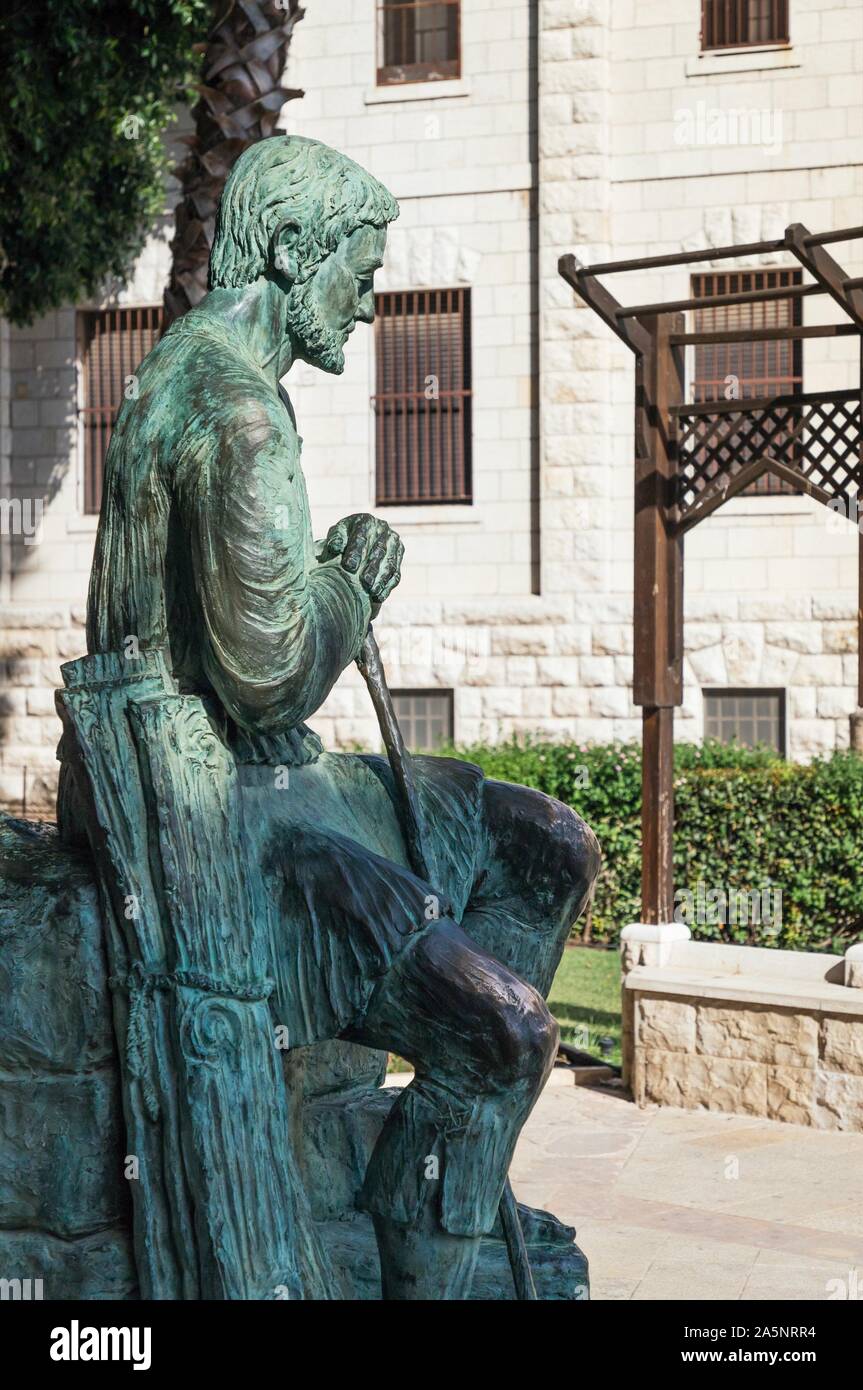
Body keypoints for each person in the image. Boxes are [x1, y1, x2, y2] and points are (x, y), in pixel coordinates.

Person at [83, 135, 600, 1299]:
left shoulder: (210, 377)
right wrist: (355, 579)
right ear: (288, 249)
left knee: (544, 841)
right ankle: (436, 1243)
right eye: (358, 273)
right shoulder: (236, 414)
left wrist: (316, 580)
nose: (368, 306)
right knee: (506, 1031)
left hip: (266, 779)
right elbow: (268, 673)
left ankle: (442, 1157)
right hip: (215, 827)